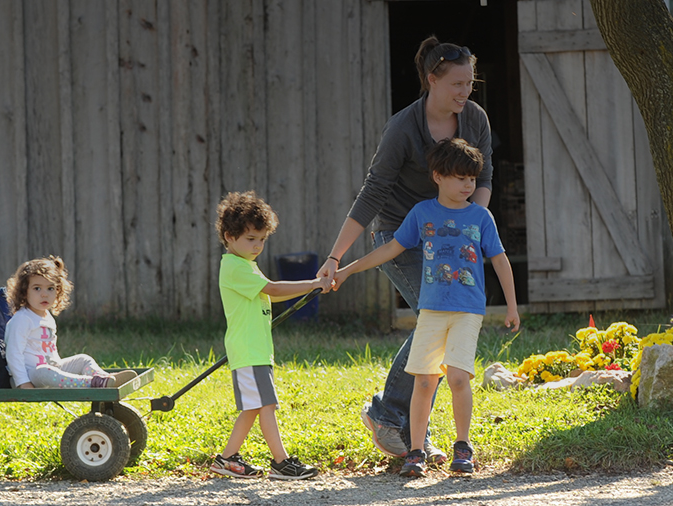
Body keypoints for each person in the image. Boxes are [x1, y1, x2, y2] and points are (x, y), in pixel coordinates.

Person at [317, 35, 494, 464]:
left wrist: (468, 227)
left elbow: (483, 177)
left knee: (437, 322)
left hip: (449, 241)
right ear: (431, 79)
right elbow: (372, 193)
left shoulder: (475, 120)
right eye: (456, 84)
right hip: (400, 234)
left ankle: (410, 429)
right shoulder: (403, 128)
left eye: (470, 83)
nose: (465, 92)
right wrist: (335, 257)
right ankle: (389, 414)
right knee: (433, 318)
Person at [335, 138, 519, 477]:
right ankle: (416, 451)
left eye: (472, 179)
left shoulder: (481, 217)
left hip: (467, 311)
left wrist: (511, 305)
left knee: (459, 378)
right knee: (424, 382)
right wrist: (346, 269)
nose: (468, 185)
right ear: (437, 176)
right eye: (460, 178)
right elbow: (390, 250)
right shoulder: (422, 214)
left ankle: (462, 447)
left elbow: (500, 259)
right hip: (431, 310)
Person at [210, 191, 332, 480]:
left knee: (253, 408)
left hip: (255, 349)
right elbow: (273, 289)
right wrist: (314, 283)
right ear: (229, 236)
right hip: (249, 350)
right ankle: (281, 462)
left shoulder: (245, 265)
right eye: (251, 239)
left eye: (262, 239)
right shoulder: (234, 267)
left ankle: (227, 459)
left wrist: (312, 287)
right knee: (266, 406)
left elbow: (269, 296)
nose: (257, 246)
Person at [4, 256, 137, 389]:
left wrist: (60, 367)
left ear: (58, 290)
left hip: (52, 370)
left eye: (50, 288)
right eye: (37, 288)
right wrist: (22, 382)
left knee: (83, 359)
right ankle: (92, 383)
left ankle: (104, 379)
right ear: (23, 292)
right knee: (45, 372)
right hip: (29, 376)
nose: (44, 294)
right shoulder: (22, 319)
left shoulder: (46, 316)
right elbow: (13, 353)